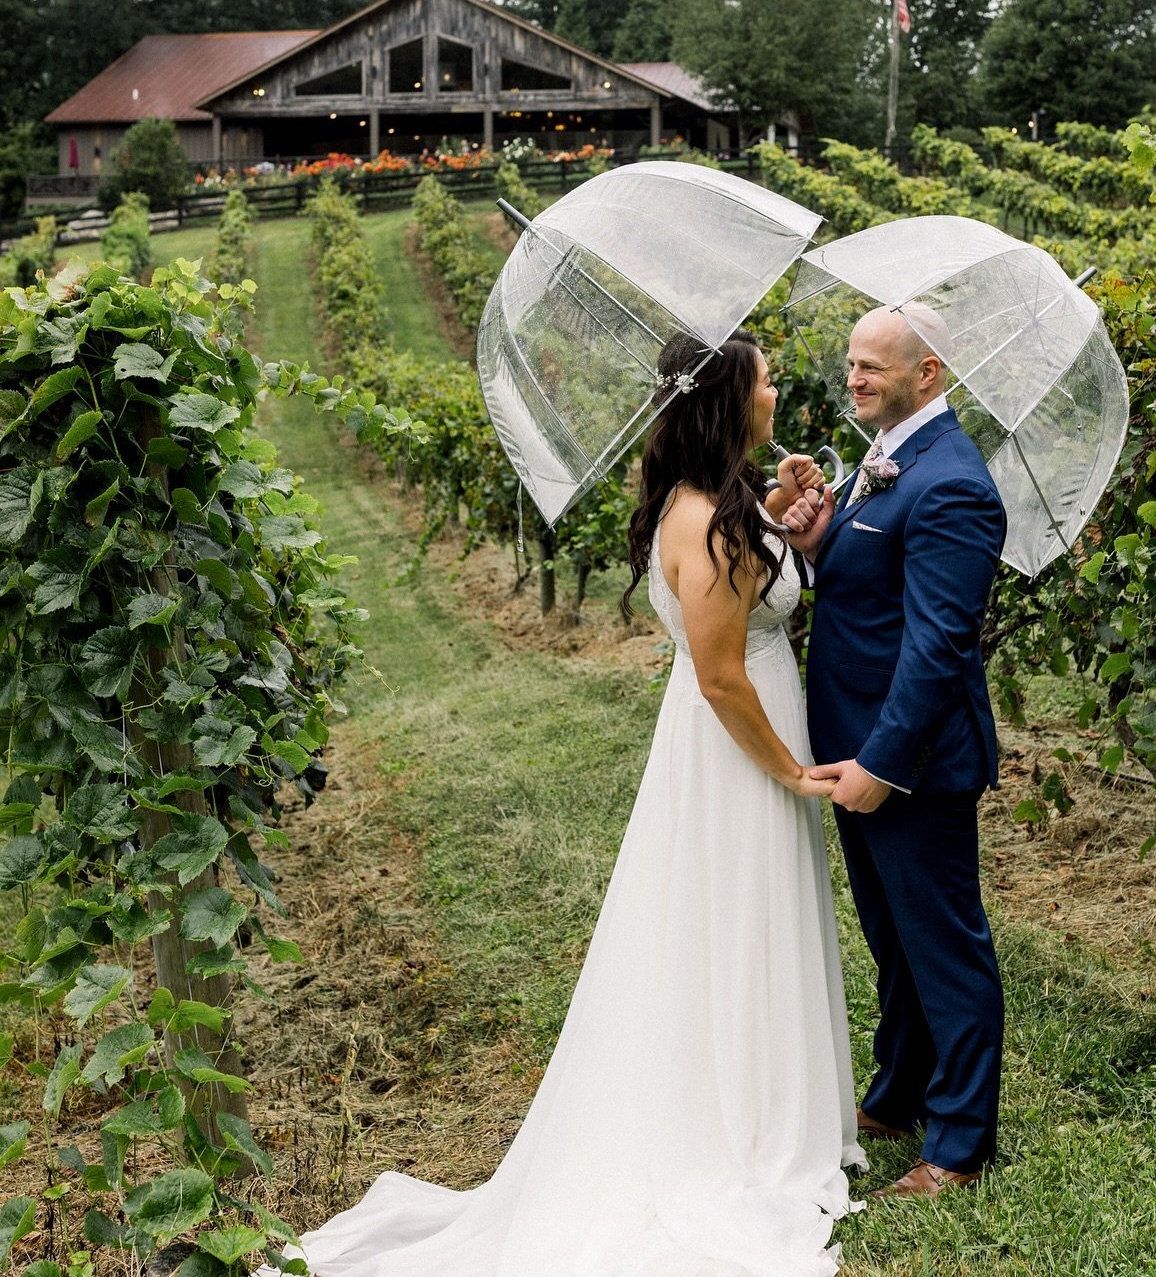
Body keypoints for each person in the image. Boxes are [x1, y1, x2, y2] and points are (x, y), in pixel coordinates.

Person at [267, 330, 863, 1277]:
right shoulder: (707, 521)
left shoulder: (724, 504)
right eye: (765, 380)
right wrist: (789, 770)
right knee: (736, 917)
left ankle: (766, 1102)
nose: (778, 388)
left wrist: (785, 514)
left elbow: (750, 599)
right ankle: (742, 1129)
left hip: (743, 727)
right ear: (728, 402)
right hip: (737, 743)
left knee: (742, 918)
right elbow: (718, 674)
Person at [779, 304, 1008, 1198]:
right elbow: (865, 591)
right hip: (853, 749)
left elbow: (938, 644)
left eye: (875, 366)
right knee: (893, 940)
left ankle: (958, 1143)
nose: (855, 379)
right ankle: (900, 1092)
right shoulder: (888, 464)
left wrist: (883, 764)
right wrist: (816, 546)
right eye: (851, 365)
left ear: (930, 373)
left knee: (944, 947)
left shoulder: (951, 482)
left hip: (908, 761)